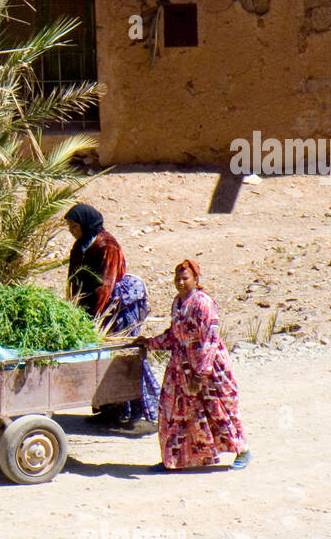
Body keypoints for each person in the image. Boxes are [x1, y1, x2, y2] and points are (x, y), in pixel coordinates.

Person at [135, 259, 250, 471]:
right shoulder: (178, 303)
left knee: (219, 409)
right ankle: (174, 459)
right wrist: (150, 343)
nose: (180, 282)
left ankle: (242, 450)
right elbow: (174, 335)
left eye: (185, 278)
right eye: (177, 278)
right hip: (180, 369)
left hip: (206, 369)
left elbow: (210, 339)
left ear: (196, 280)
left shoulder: (203, 304)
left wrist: (201, 374)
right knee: (174, 413)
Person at [64, 202, 159, 427]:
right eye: (69, 227)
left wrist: (94, 317)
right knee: (99, 359)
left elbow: (106, 284)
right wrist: (73, 307)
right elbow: (73, 279)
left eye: (74, 226)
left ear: (85, 224)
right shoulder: (80, 246)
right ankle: (107, 411)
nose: (71, 231)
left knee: (121, 357)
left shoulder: (108, 246)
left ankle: (135, 410)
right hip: (93, 305)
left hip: (117, 307)